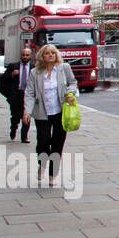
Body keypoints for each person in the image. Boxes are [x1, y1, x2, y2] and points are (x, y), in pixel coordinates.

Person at [24, 44, 78, 187]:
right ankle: (42, 164)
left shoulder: (63, 68)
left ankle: (52, 174)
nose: (50, 55)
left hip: (61, 112)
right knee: (42, 141)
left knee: (57, 143)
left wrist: (70, 93)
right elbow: (29, 92)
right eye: (47, 53)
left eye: (52, 53)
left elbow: (73, 83)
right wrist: (27, 111)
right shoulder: (35, 72)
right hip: (42, 113)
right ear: (42, 56)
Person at [0, 62, 28, 143]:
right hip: (16, 96)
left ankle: (24, 137)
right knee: (16, 116)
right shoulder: (13, 66)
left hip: (27, 96)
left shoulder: (33, 67)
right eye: (24, 55)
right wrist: (11, 74)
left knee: (26, 115)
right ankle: (13, 128)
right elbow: (2, 81)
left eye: (27, 55)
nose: (25, 57)